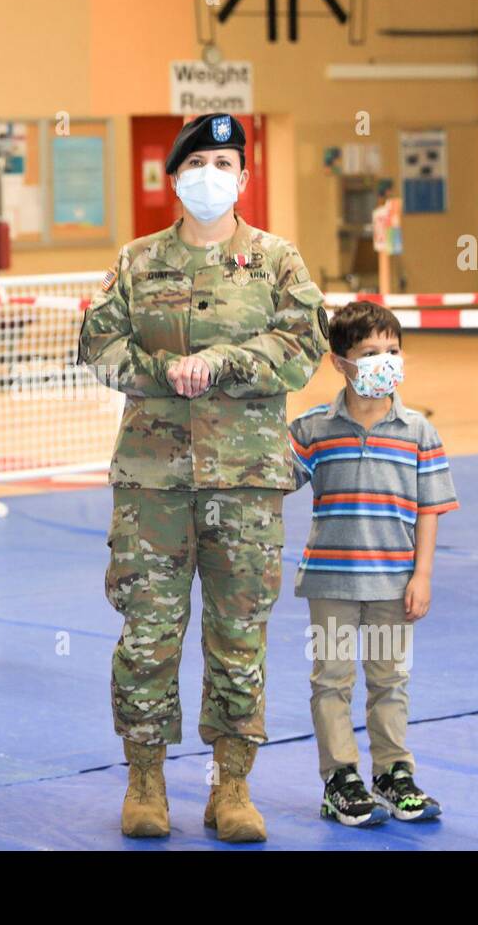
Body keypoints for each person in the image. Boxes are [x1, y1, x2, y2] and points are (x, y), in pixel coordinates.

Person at [78, 113, 328, 842]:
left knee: (238, 631)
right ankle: (145, 780)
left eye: (227, 162)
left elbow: (301, 345)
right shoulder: (136, 261)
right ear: (176, 176)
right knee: (148, 631)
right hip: (152, 481)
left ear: (244, 178)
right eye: (200, 162)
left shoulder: (279, 261)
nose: (212, 175)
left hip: (244, 480)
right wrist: (162, 372)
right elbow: (98, 342)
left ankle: (232, 784)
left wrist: (223, 363)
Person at [288, 301, 456, 826]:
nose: (385, 361)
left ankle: (393, 773)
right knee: (331, 680)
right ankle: (340, 778)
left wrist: (422, 574)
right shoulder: (314, 429)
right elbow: (273, 483)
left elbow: (430, 508)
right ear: (340, 362)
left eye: (392, 351)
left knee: (389, 680)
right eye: (369, 353)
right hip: (331, 583)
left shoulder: (418, 431)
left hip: (392, 584)